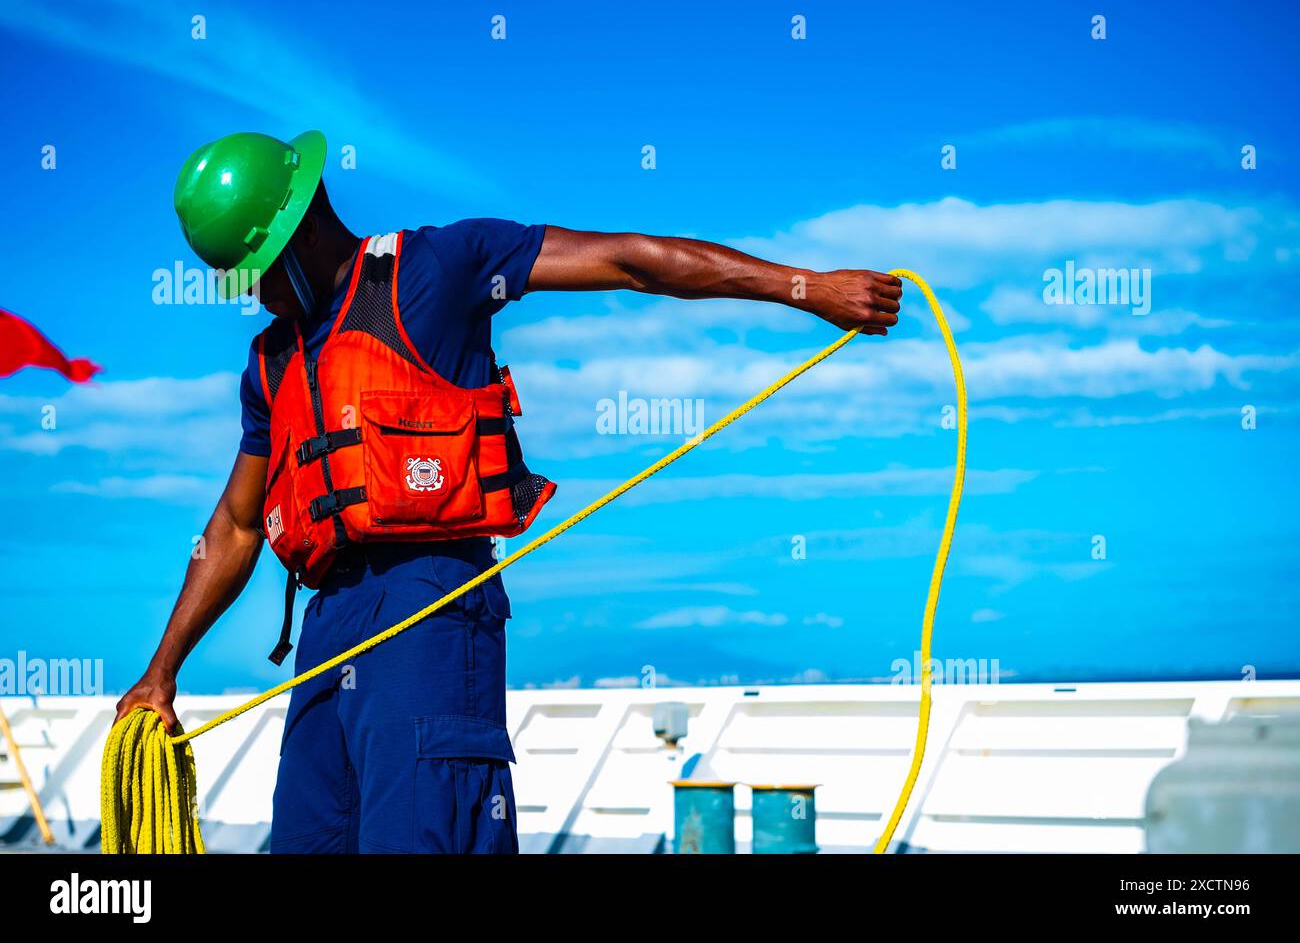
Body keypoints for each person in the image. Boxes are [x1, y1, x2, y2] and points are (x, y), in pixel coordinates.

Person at [115, 130, 903, 853]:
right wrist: (161, 671)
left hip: (429, 609)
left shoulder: (435, 268)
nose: (257, 298)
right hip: (328, 631)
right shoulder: (270, 362)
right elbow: (235, 527)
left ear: (307, 225)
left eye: (260, 275)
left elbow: (633, 257)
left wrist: (807, 287)